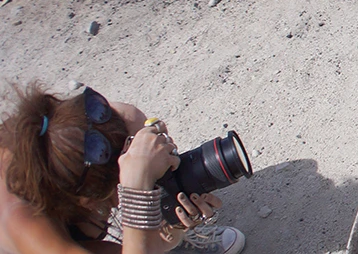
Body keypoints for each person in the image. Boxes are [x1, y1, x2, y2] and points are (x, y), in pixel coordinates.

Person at [0, 83, 246, 253]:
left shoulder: (48, 138)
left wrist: (171, 227)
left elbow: (126, 119)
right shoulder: (26, 225)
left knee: (133, 122)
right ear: (88, 200)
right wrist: (137, 184)